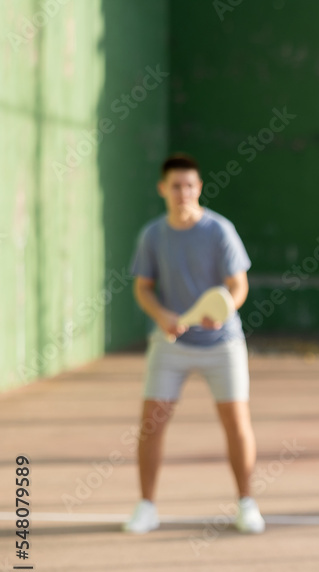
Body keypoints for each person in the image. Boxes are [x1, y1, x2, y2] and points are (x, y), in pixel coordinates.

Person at [123, 153, 265, 534]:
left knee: (236, 423)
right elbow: (143, 289)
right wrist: (162, 316)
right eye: (175, 186)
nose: (183, 192)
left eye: (189, 185)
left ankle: (246, 504)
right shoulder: (152, 235)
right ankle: (147, 507)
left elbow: (238, 286)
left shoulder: (219, 231)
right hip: (170, 346)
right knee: (151, 425)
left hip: (223, 344)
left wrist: (224, 310)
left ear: (199, 188)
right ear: (162, 189)